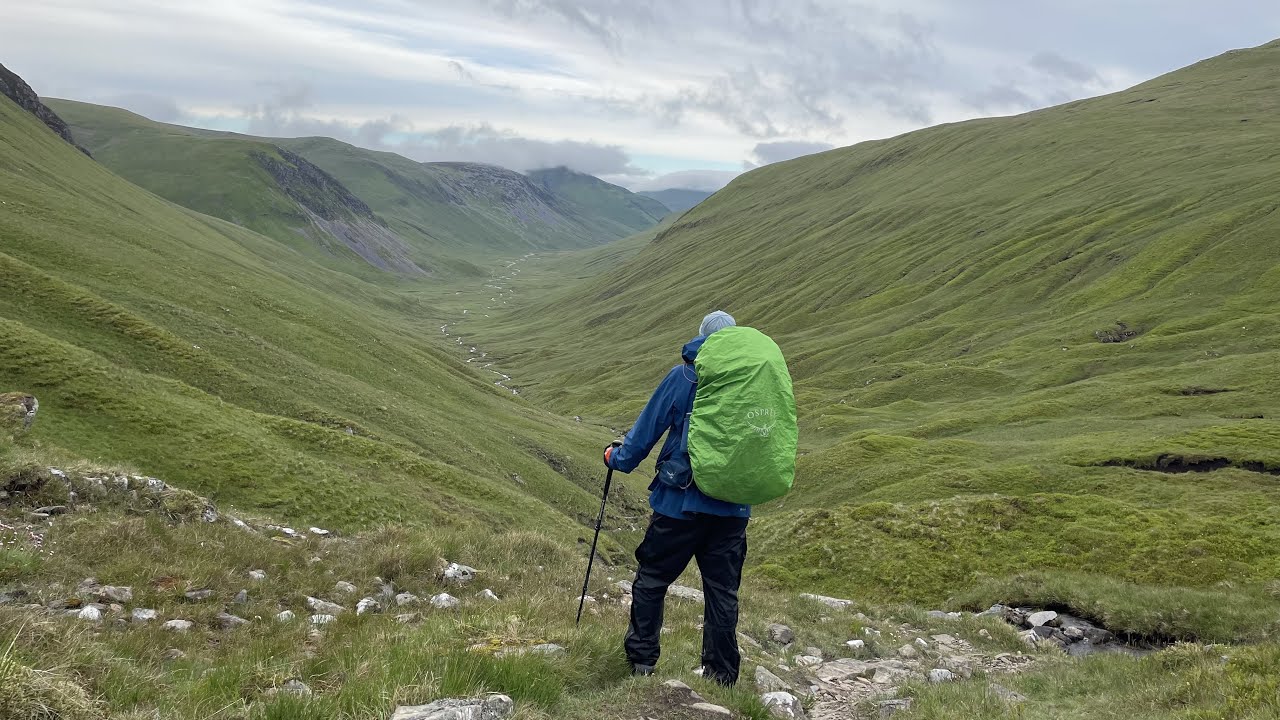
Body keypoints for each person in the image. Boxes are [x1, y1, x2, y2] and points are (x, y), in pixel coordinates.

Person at [603, 309, 750, 686]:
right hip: (732, 508)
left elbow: (643, 435)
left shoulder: (684, 375)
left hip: (679, 505)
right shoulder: (751, 381)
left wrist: (615, 458)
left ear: (701, 338)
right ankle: (721, 677)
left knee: (652, 580)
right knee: (722, 593)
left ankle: (642, 664)